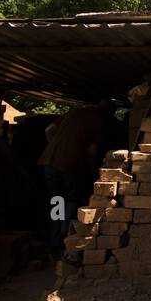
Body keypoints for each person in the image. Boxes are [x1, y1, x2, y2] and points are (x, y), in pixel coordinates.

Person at [39, 99, 113, 251]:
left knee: (57, 200)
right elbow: (92, 151)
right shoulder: (100, 121)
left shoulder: (73, 112)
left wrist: (56, 149)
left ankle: (55, 239)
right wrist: (93, 172)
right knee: (72, 200)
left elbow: (48, 130)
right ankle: (66, 237)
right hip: (72, 164)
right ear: (108, 112)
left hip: (50, 162)